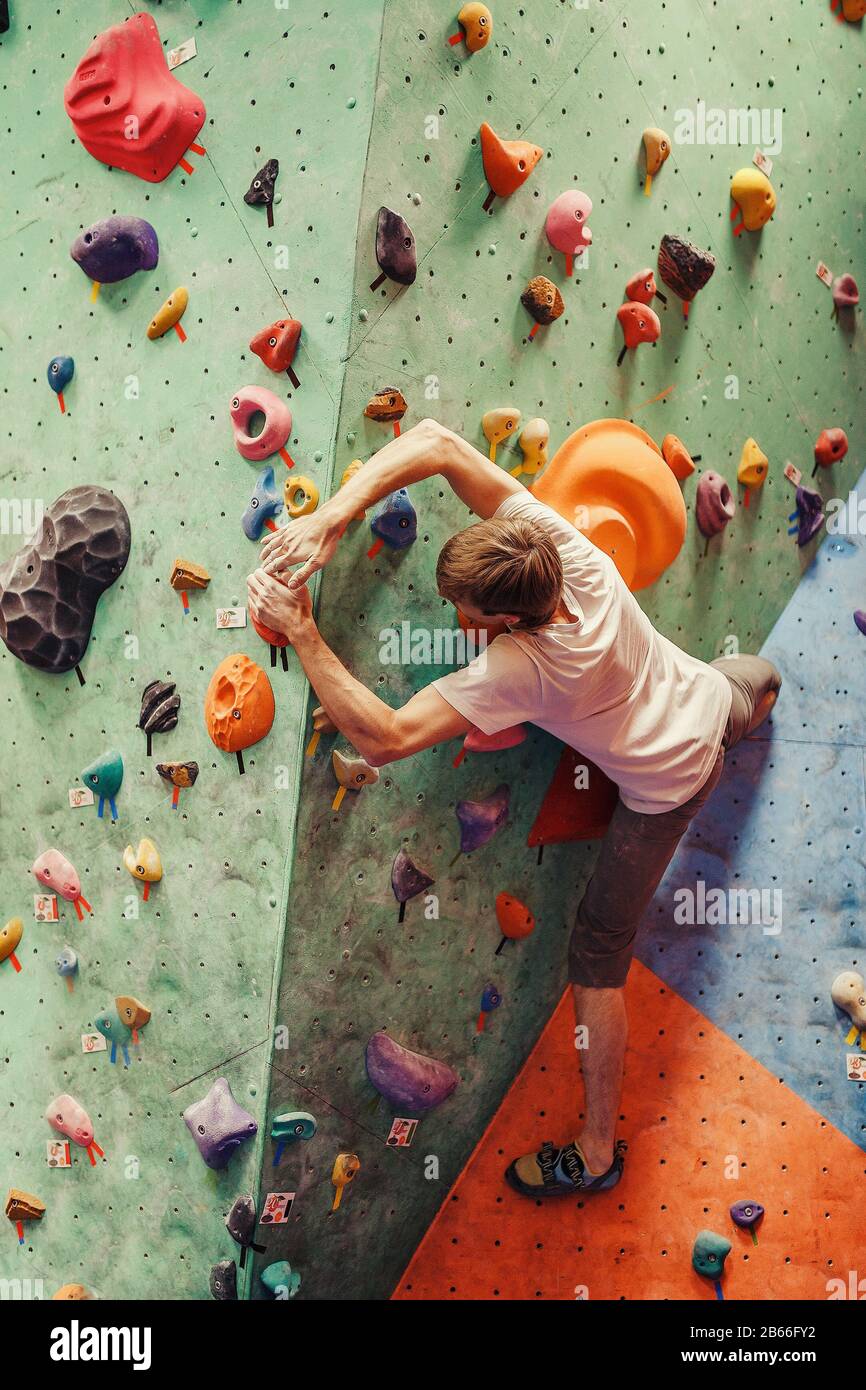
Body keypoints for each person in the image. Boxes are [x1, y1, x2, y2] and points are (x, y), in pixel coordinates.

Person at [248, 418, 781, 1199]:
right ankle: (758, 706)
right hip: (711, 697)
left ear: (509, 624)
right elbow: (434, 440)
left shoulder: (522, 672)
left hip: (666, 788)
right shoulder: (563, 549)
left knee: (597, 957)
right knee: (761, 679)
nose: (459, 619)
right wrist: (331, 519)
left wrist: (302, 631)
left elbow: (387, 737)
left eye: (465, 612)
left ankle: (597, 1157)